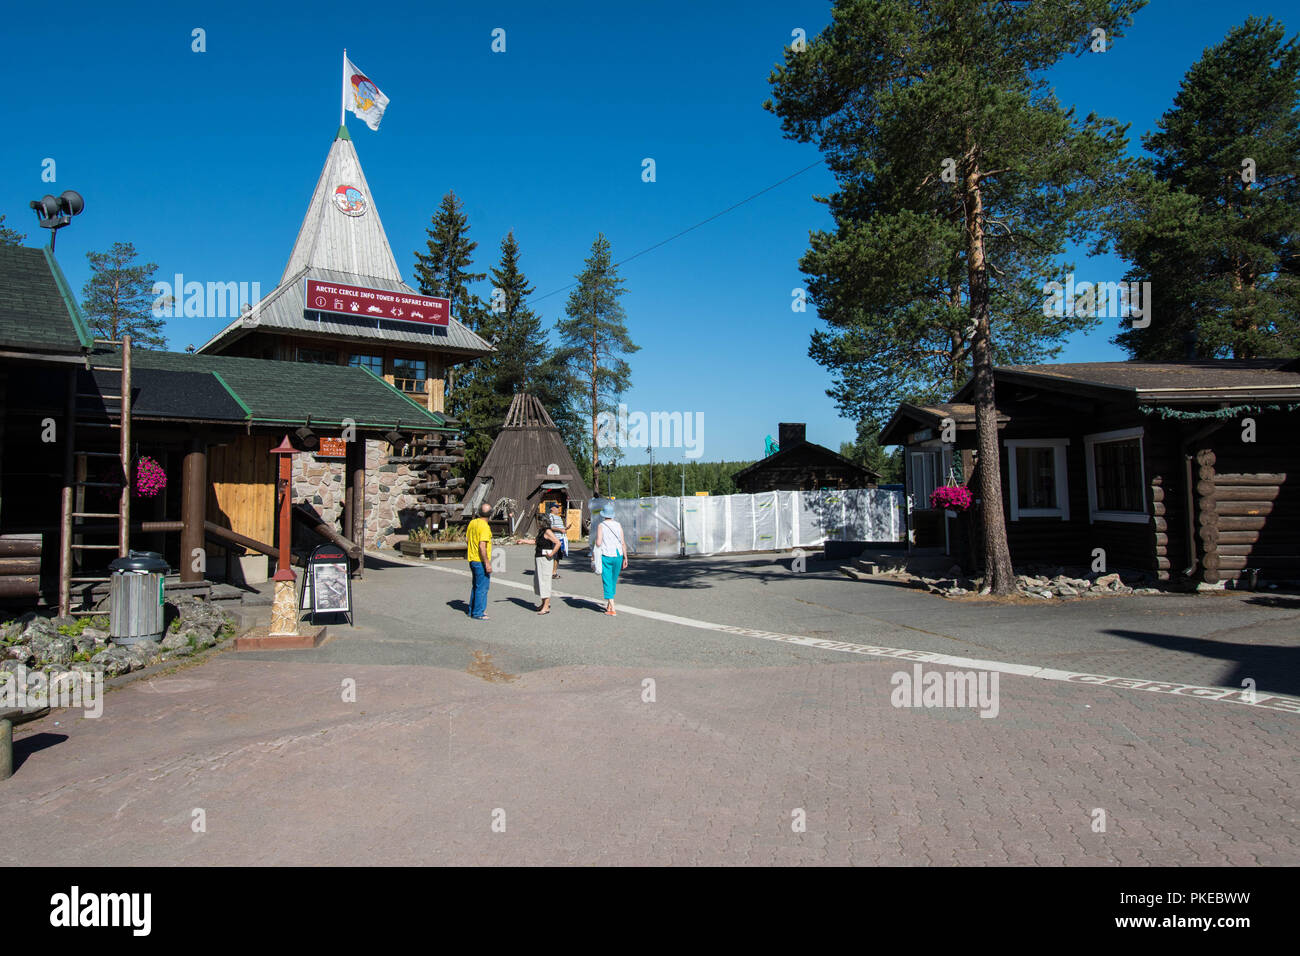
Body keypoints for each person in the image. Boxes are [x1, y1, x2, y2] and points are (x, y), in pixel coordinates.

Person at [519, 514, 561, 614]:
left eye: (539, 521)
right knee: (539, 581)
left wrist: (552, 553)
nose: (537, 523)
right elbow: (535, 541)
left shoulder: (548, 531)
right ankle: (543, 603)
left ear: (543, 522)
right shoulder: (541, 531)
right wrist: (523, 541)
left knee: (544, 581)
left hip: (545, 559)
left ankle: (546, 606)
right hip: (539, 558)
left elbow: (558, 543)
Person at [593, 502, 627, 616]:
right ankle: (609, 604)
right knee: (613, 580)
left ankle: (612, 608)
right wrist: (626, 558)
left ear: (603, 515)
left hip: (606, 554)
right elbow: (623, 542)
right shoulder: (618, 525)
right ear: (612, 515)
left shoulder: (601, 525)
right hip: (618, 555)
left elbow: (598, 542)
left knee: (607, 580)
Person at [466, 502, 493, 620]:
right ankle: (478, 612)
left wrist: (472, 548)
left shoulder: (472, 523)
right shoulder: (485, 527)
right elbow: (483, 546)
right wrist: (487, 562)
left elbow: (467, 539)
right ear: (490, 515)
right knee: (482, 587)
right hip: (480, 560)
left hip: (472, 558)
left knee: (476, 586)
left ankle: (472, 609)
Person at [547, 501, 568, 579]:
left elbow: (561, 528)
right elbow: (550, 527)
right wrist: (560, 530)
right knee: (553, 556)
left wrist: (565, 528)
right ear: (552, 508)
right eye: (556, 507)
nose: (558, 509)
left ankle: (554, 572)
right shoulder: (550, 516)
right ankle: (551, 572)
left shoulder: (559, 517)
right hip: (553, 539)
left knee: (558, 556)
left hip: (560, 539)